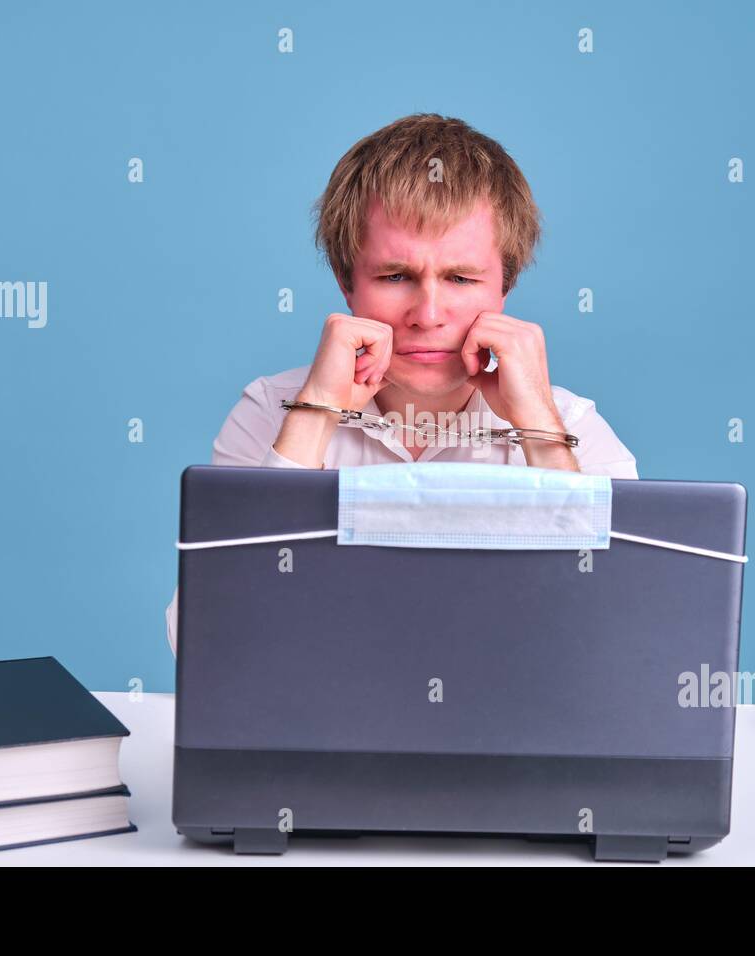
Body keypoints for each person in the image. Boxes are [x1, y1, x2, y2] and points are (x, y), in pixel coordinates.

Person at [165, 113, 637, 654]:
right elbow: (206, 644)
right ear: (347, 284)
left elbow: (615, 642)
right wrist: (313, 417)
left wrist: (539, 432)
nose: (428, 313)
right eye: (395, 277)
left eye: (460, 278)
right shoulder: (273, 411)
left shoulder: (571, 426)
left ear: (505, 286)